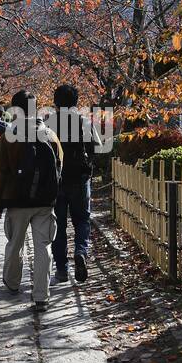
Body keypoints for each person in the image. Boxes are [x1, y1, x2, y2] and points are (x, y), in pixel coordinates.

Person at [0, 90, 63, 312]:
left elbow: (0, 172)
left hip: (16, 200)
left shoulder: (9, 136)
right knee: (44, 246)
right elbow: (59, 166)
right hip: (44, 202)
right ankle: (41, 295)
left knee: (15, 243)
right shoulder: (50, 135)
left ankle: (13, 283)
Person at [50, 83, 100, 283]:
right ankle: (81, 251)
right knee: (82, 219)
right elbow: (96, 147)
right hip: (79, 178)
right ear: (76, 101)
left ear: (55, 102)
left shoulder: (50, 122)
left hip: (57, 180)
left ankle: (61, 268)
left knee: (58, 224)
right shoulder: (83, 122)